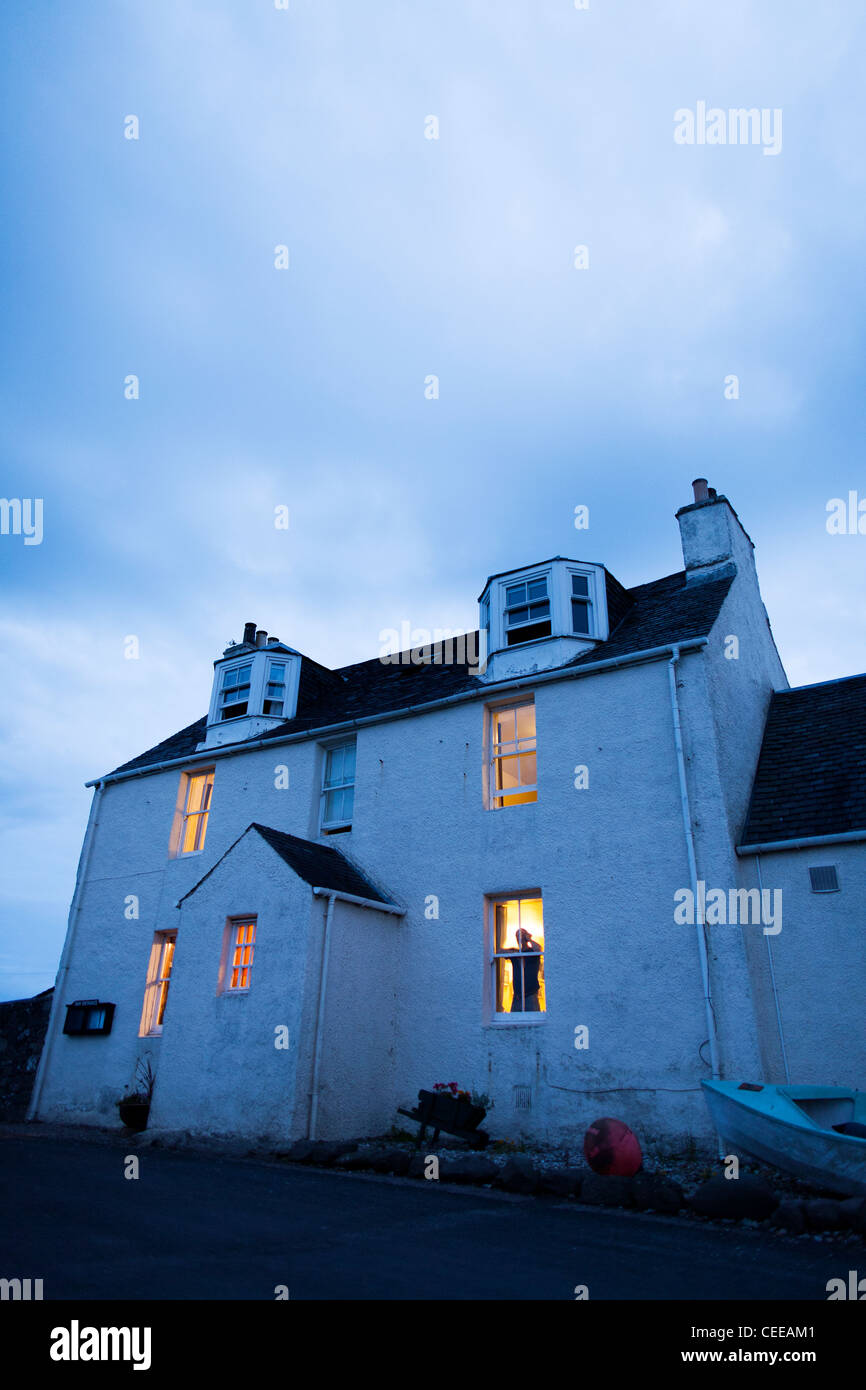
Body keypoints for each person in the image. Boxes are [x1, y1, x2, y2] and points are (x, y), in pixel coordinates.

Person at [511, 927, 541, 1011]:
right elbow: (499, 952)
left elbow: (538, 949)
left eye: (521, 935)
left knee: (534, 1021)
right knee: (513, 1022)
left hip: (530, 996)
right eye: (517, 936)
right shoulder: (515, 953)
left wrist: (529, 939)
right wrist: (512, 951)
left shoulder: (532, 952)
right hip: (517, 997)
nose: (519, 938)